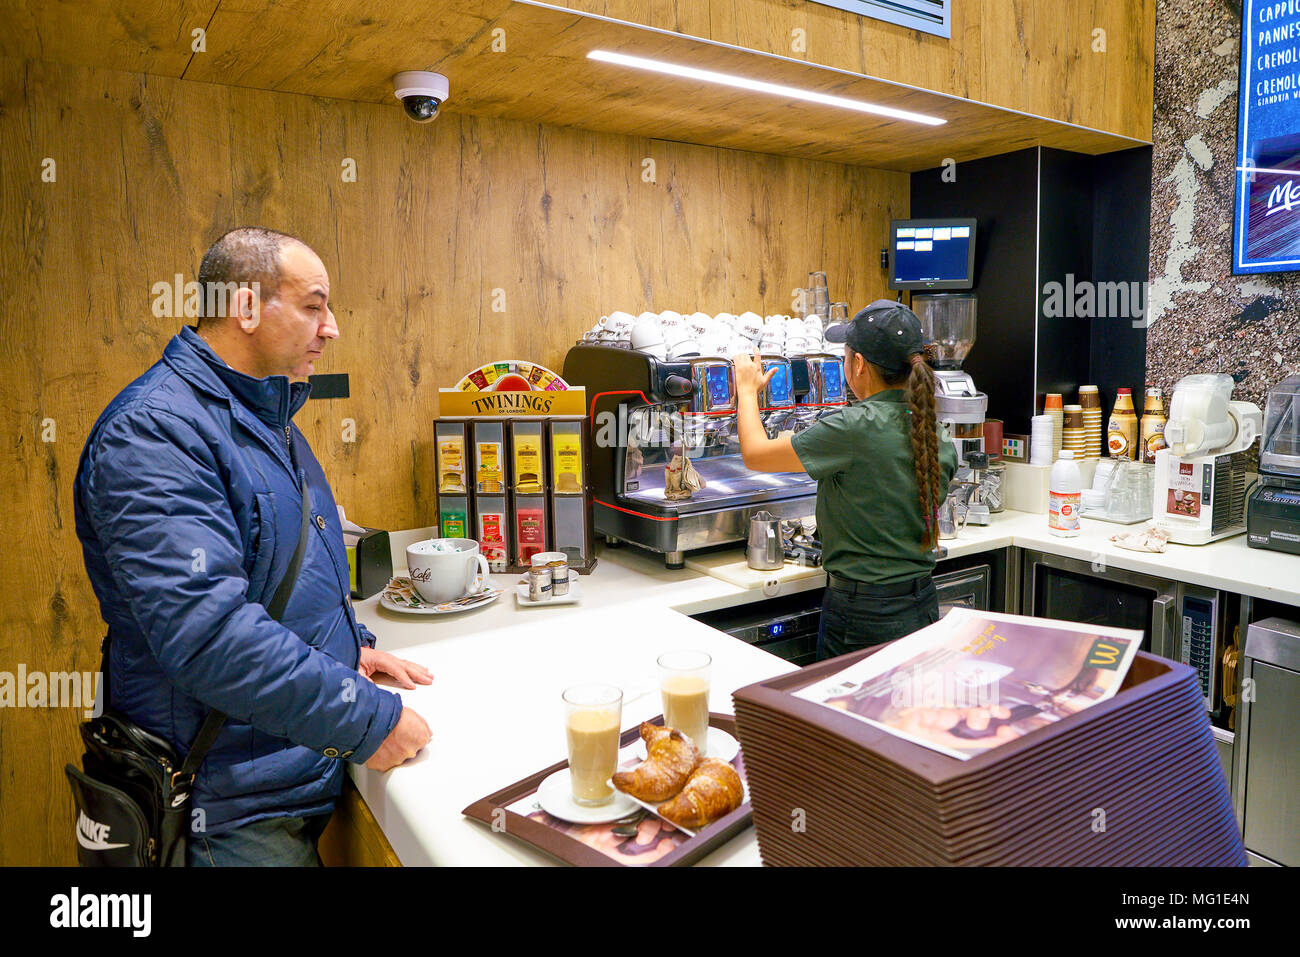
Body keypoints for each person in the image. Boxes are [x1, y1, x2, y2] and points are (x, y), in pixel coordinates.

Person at [74, 227, 433, 866]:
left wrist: (350, 652)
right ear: (245, 307)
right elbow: (210, 637)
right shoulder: (153, 435)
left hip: (280, 773)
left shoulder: (265, 415)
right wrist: (366, 721)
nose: (332, 328)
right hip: (225, 809)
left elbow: (277, 577)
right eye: (314, 305)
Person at [732, 300, 959, 660]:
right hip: (920, 607)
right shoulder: (933, 432)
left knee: (845, 715)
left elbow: (756, 453)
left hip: (862, 616)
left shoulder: (851, 428)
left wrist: (746, 391)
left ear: (857, 364)